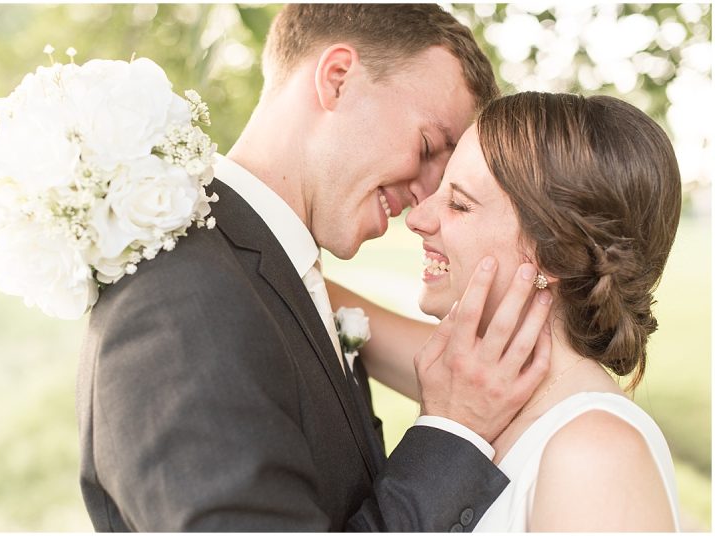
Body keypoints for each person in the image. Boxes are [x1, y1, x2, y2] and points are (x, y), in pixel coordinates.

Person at [76, 4, 553, 532]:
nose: (428, 196)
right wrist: (453, 430)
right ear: (338, 79)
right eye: (426, 146)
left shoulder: (271, 274)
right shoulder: (181, 296)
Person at [330, 91, 682, 531]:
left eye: (459, 203)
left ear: (555, 254)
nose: (418, 218)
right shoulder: (484, 384)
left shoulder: (594, 456)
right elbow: (352, 321)